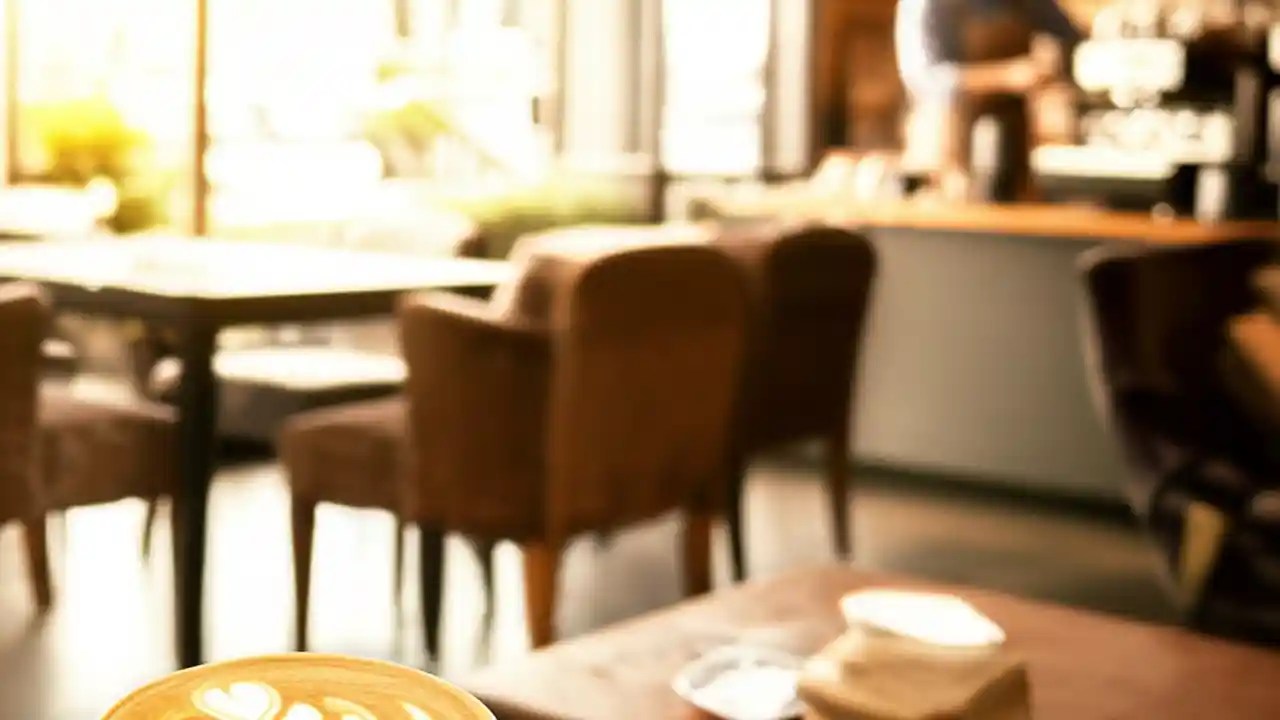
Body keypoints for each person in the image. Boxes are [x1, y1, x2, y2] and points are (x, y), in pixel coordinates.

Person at [895, 0, 1083, 199]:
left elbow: (1070, 39)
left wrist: (1053, 65)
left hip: (1014, 135)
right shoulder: (928, 4)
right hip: (946, 134)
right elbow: (927, 78)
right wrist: (1007, 76)